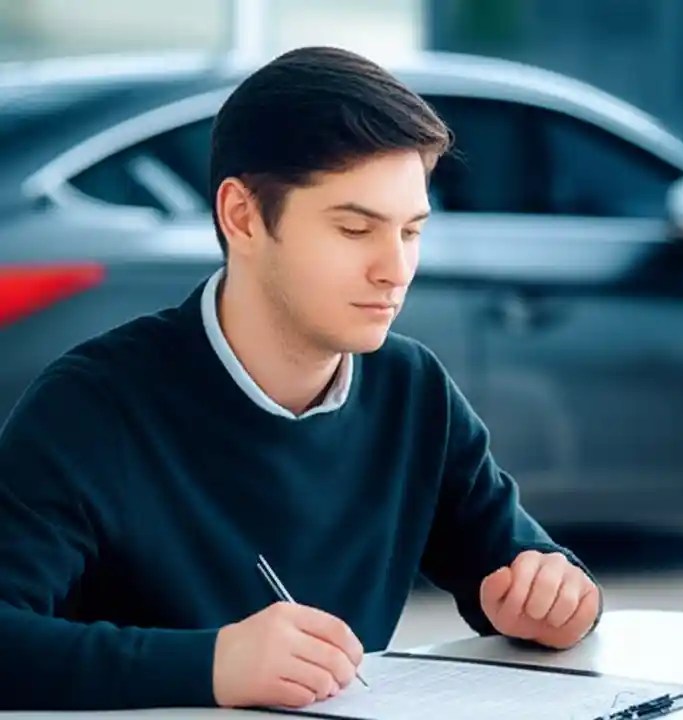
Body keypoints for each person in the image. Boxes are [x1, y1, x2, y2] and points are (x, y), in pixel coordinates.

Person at [0, 46, 602, 710]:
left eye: (410, 231)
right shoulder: (94, 405)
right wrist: (210, 665)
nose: (394, 268)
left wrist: (556, 600)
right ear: (243, 216)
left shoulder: (412, 390)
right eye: (354, 229)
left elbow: (527, 568)